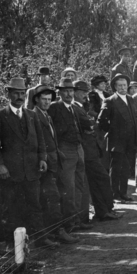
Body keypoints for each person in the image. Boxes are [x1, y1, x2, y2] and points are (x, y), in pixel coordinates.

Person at [0, 78, 49, 248]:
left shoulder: (32, 115)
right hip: (11, 172)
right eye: (15, 93)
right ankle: (12, 244)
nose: (19, 96)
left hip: (32, 170)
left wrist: (43, 158)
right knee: (11, 208)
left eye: (22, 93)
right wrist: (0, 165)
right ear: (8, 94)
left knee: (35, 206)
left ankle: (40, 239)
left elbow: (41, 139)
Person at [32, 84, 79, 245]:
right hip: (44, 164)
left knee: (55, 196)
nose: (46, 102)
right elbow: (38, 141)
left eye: (49, 100)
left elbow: (51, 138)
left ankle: (53, 231)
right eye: (43, 99)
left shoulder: (46, 115)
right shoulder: (34, 116)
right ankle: (57, 232)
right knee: (52, 197)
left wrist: (58, 152)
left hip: (54, 160)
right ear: (36, 100)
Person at [48, 78, 91, 232]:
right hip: (65, 150)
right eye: (65, 90)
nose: (68, 93)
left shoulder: (73, 107)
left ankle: (77, 220)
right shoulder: (54, 107)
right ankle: (69, 224)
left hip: (78, 148)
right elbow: (50, 131)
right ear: (59, 92)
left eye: (71, 90)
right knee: (68, 188)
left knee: (79, 185)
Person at [72, 80, 119, 222]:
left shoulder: (81, 107)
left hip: (91, 150)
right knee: (101, 178)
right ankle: (104, 210)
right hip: (86, 152)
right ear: (74, 93)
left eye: (86, 92)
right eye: (81, 92)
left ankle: (103, 211)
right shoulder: (75, 108)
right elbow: (87, 126)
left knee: (95, 182)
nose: (85, 95)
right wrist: (91, 125)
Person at [98, 74, 137, 202]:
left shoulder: (131, 99)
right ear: (115, 87)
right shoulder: (110, 100)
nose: (123, 88)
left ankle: (123, 193)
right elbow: (101, 120)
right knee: (116, 168)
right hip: (116, 140)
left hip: (129, 140)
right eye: (120, 85)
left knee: (126, 167)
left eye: (125, 85)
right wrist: (112, 131)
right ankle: (114, 194)